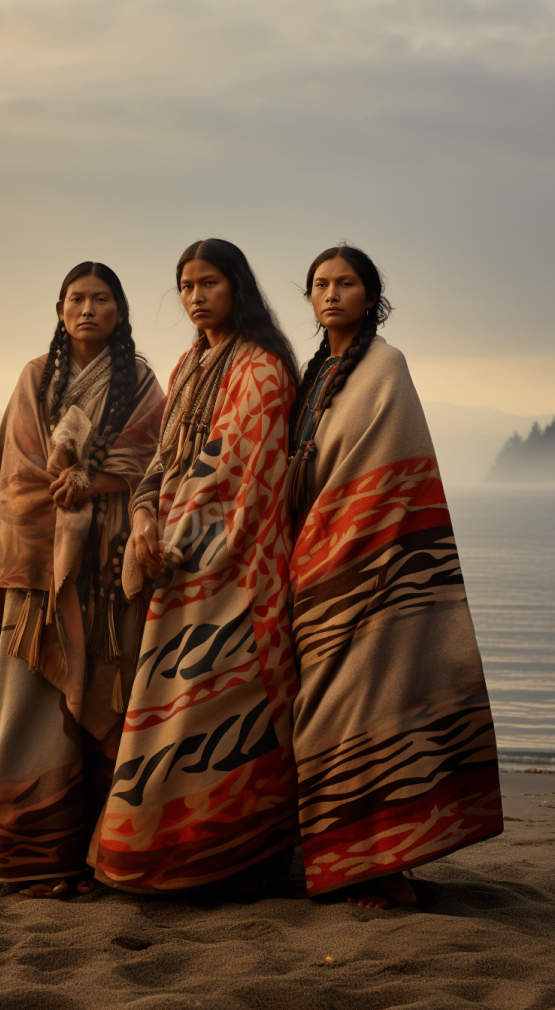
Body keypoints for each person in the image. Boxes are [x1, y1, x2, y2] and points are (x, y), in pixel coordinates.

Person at [288, 245, 503, 908]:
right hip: (311, 570)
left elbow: (391, 476)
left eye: (345, 283)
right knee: (319, 719)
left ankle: (386, 866)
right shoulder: (314, 371)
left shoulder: (386, 368)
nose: (331, 295)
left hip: (376, 571)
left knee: (373, 710)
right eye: (321, 284)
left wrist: (341, 541)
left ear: (369, 293)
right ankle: (339, 857)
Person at [88, 238, 300, 893]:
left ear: (237, 286)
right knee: (166, 711)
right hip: (175, 564)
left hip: (233, 571)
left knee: (221, 711)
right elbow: (164, 461)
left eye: (208, 282)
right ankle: (159, 853)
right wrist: (145, 518)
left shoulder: (264, 369)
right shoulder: (186, 366)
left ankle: (236, 857)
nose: (195, 296)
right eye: (185, 285)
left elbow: (242, 474)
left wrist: (175, 535)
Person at [0, 261, 165, 892]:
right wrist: (67, 490)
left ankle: (98, 857)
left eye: (102, 299)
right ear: (60, 310)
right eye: (76, 298)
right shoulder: (36, 378)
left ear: (121, 310)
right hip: (38, 569)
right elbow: (20, 473)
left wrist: (92, 481)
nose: (88, 309)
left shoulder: (141, 382)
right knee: (33, 704)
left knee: (109, 700)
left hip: (111, 569)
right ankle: (31, 858)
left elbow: (153, 459)